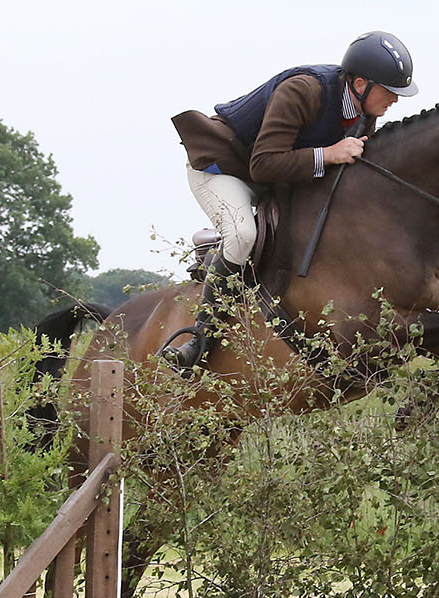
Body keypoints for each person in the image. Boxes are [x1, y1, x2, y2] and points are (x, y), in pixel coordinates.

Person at [163, 31, 419, 370]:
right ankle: (199, 341)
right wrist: (328, 154)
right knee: (242, 235)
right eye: (391, 92)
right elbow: (264, 163)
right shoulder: (303, 90)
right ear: (361, 84)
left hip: (278, 179)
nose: (396, 101)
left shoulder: (364, 113)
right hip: (225, 167)